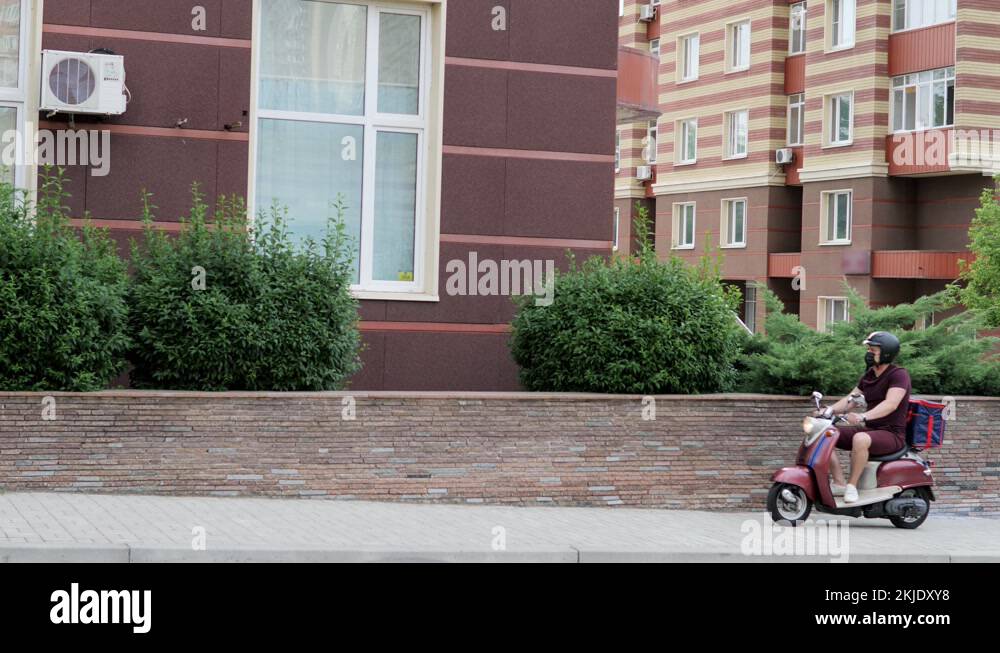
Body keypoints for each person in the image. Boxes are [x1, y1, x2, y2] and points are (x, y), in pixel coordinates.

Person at [822, 331, 911, 503]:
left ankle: (852, 486)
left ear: (886, 352)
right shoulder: (869, 375)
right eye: (868, 349)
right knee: (826, 433)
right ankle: (839, 483)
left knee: (860, 438)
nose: (869, 353)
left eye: (873, 349)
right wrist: (829, 410)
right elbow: (851, 400)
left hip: (891, 434)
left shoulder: (899, 375)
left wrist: (864, 417)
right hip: (871, 430)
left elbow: (891, 404)